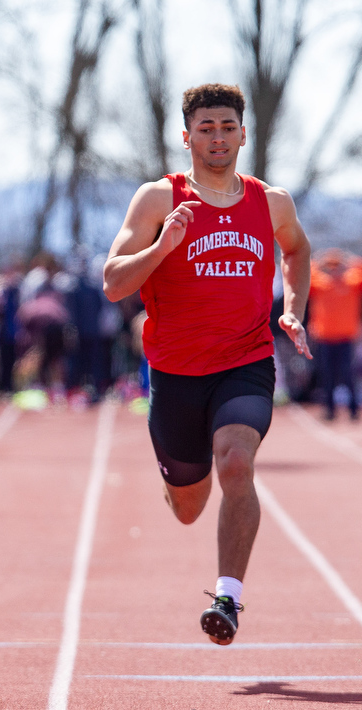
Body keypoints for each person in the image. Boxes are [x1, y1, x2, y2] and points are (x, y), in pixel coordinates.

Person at [103, 83, 311, 646]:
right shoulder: (159, 199)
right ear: (187, 135)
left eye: (227, 127)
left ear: (243, 134)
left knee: (237, 463)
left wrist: (292, 310)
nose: (217, 137)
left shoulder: (271, 202)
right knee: (189, 508)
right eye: (206, 128)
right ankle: (176, 482)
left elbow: (296, 250)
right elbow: (113, 282)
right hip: (174, 374)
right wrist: (162, 248)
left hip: (246, 361)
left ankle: (228, 598)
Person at [307, 248, 362, 420]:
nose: (335, 270)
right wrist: (321, 260)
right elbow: (305, 271)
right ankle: (330, 410)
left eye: (337, 266)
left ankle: (353, 409)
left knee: (348, 374)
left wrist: (345, 259)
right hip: (324, 337)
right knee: (327, 374)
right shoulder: (321, 283)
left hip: (346, 336)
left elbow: (360, 268)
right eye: (332, 266)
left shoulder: (351, 282)